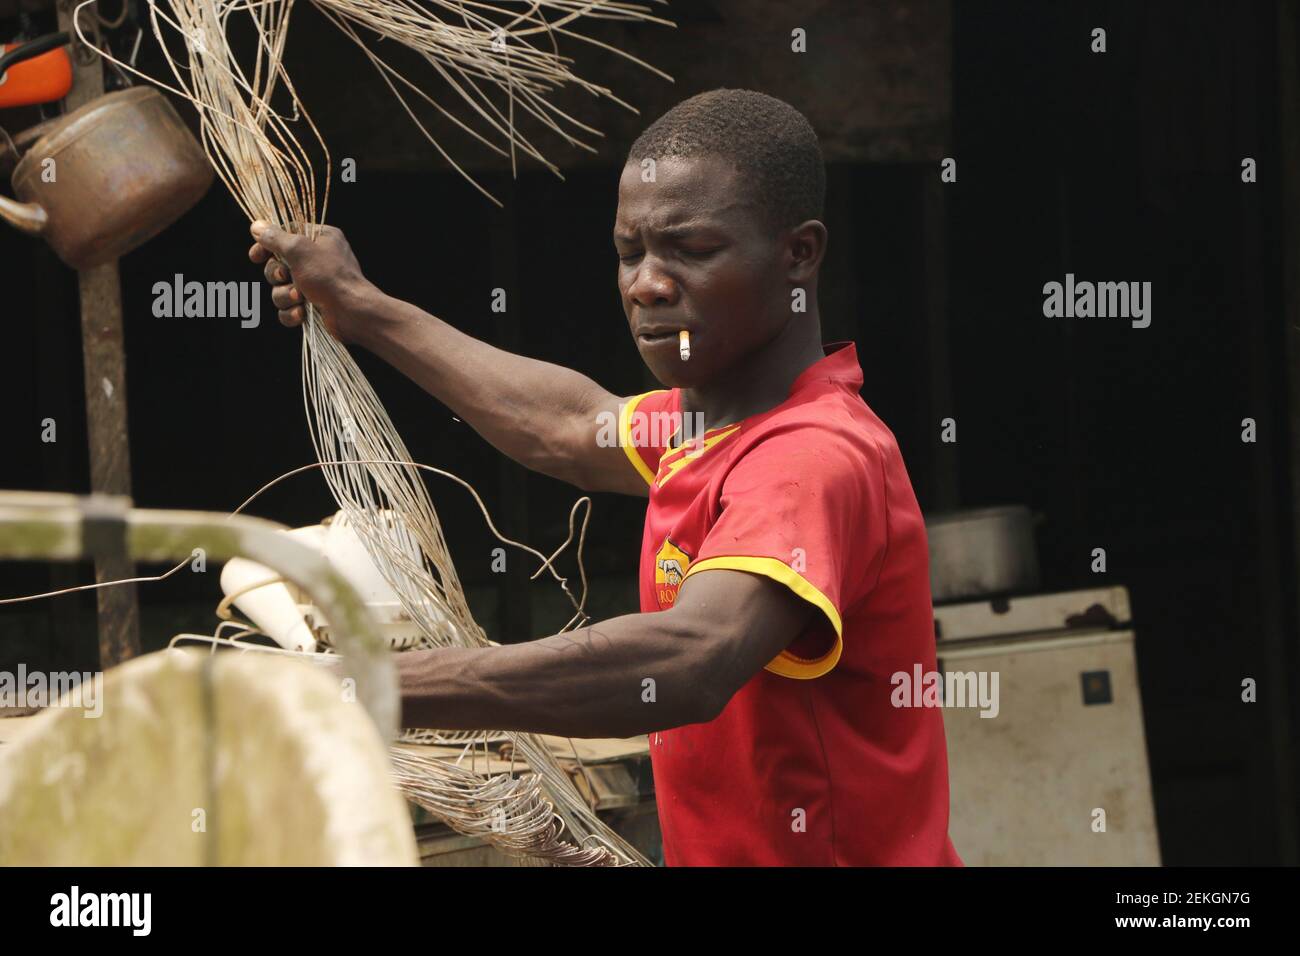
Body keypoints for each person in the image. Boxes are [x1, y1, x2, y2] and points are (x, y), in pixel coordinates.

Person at [248, 88, 962, 867]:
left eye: (690, 249)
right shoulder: (705, 430)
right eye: (631, 253)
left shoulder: (810, 458)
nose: (646, 284)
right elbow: (560, 424)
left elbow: (690, 658)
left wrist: (364, 685)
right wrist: (360, 307)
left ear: (799, 253)